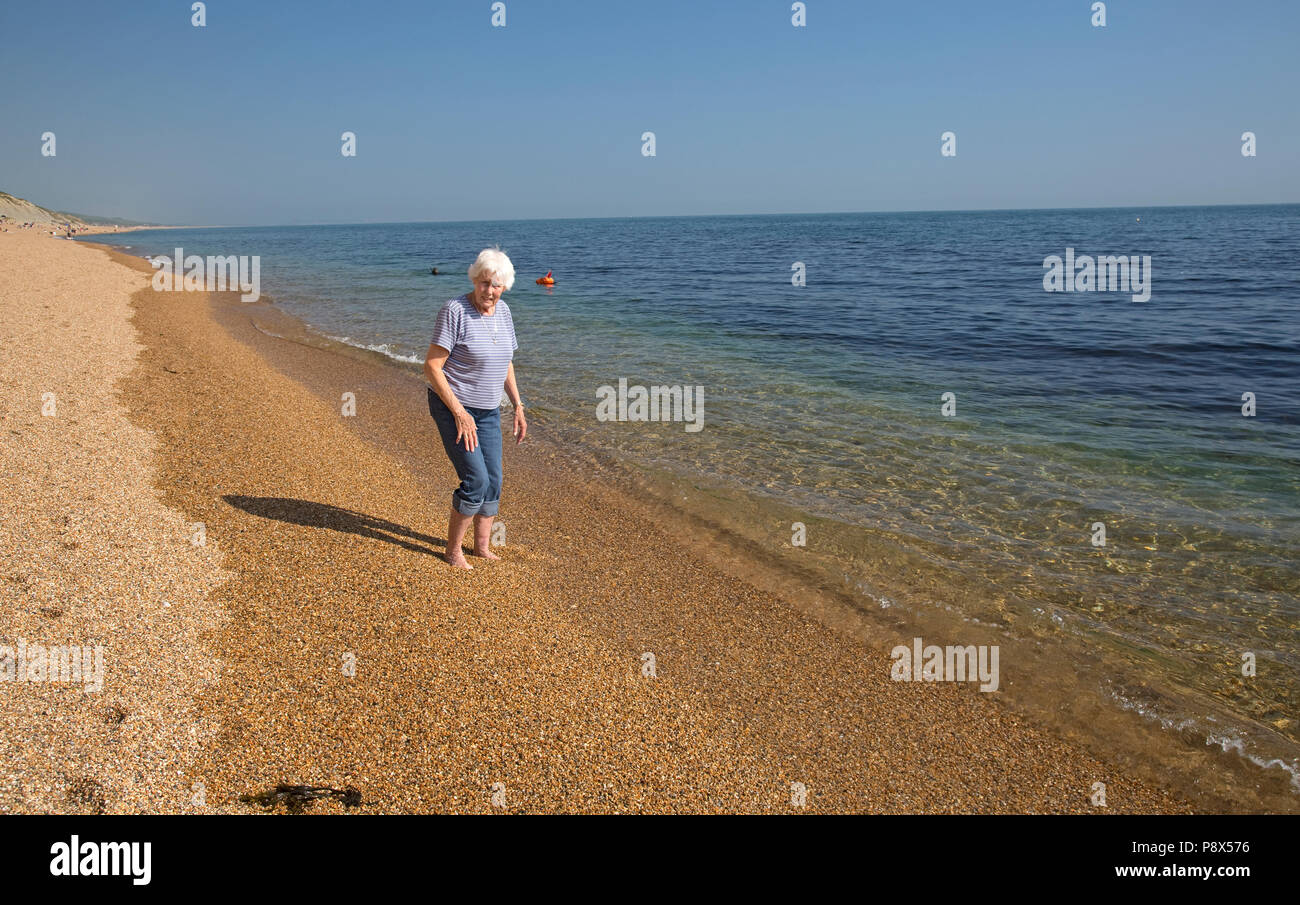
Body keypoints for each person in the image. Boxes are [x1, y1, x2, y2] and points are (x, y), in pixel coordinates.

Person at [423, 247, 527, 569]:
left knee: (494, 480)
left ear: (505, 287)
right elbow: (432, 367)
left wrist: (518, 406)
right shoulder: (455, 310)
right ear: (475, 280)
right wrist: (459, 412)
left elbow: (505, 361)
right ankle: (453, 551)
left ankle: (481, 547)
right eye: (484, 283)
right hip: (453, 406)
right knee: (476, 480)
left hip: (488, 410)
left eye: (496, 285)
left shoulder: (505, 313)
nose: (489, 291)